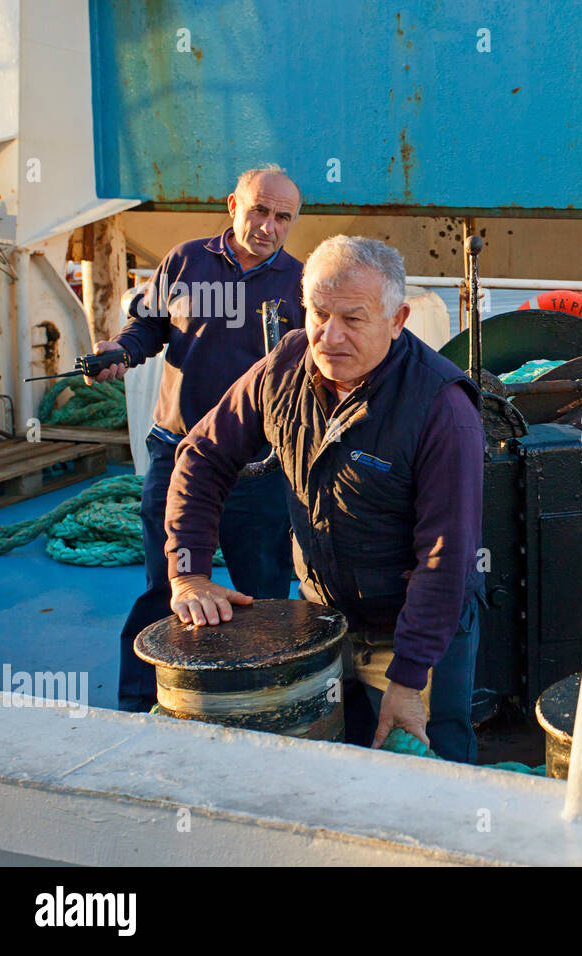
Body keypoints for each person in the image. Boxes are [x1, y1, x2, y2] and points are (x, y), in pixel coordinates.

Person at [161, 236, 485, 761]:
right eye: (317, 314)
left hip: (412, 629)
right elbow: (202, 454)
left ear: (398, 318)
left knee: (433, 772)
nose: (329, 337)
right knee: (336, 756)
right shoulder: (285, 363)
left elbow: (445, 559)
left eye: (353, 320)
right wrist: (189, 572)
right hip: (322, 617)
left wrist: (407, 678)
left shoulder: (442, 409)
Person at [89, 164, 306, 712]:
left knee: (262, 594)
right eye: (259, 210)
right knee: (168, 586)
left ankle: (256, 705)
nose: (269, 226)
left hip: (261, 467)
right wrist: (121, 353)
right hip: (178, 454)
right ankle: (142, 707)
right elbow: (149, 327)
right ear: (232, 203)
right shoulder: (185, 260)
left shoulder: (303, 284)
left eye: (283, 217)